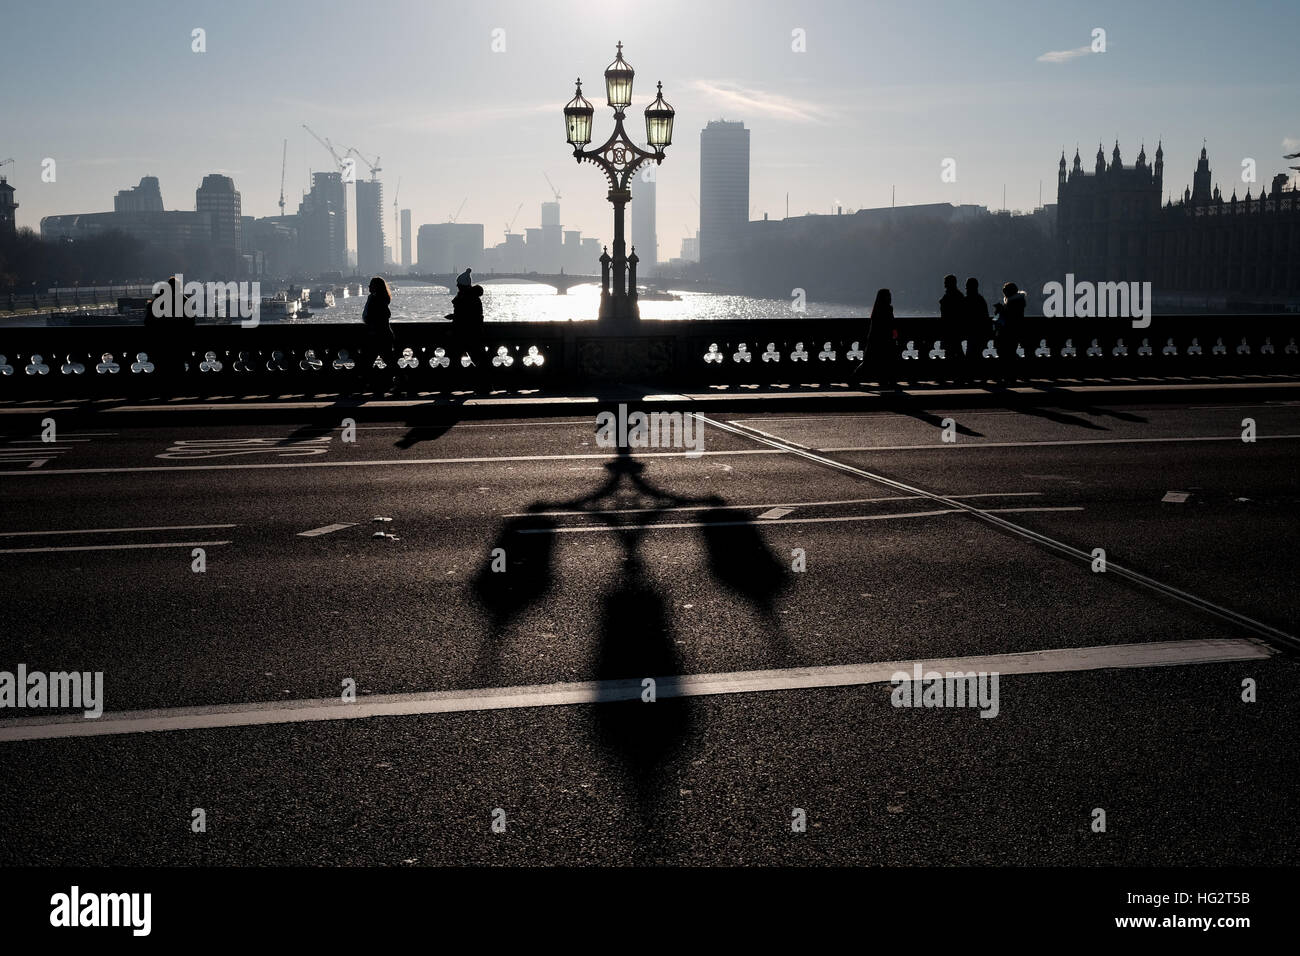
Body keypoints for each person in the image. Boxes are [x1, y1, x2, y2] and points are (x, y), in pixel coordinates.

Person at [362, 275, 395, 392]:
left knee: (368, 362)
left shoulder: (375, 300)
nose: (368, 287)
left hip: (377, 335)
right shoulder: (381, 300)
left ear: (375, 287)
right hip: (384, 334)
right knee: (389, 362)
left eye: (370, 285)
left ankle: (369, 384)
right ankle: (395, 382)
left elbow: (368, 317)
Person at [992, 281, 1027, 382]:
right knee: (1009, 353)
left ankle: (1009, 375)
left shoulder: (1013, 302)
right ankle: (1010, 375)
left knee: (1006, 353)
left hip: (1008, 332)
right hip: (1013, 331)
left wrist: (1000, 309)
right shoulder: (1017, 301)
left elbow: (1009, 317)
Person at [867, 288, 896, 389]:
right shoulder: (885, 308)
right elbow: (890, 323)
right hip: (882, 338)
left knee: (881, 361)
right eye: (888, 295)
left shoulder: (878, 308)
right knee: (883, 360)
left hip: (880, 338)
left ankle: (887, 380)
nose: (890, 297)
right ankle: (888, 380)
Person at [963, 277, 990, 381]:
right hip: (980, 331)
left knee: (972, 355)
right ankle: (980, 376)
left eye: (967, 285)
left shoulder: (969, 299)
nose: (966, 287)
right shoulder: (980, 299)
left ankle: (972, 376)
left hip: (974, 331)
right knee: (976, 354)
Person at [938, 274, 964, 380]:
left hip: (951, 328)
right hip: (952, 327)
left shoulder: (953, 295)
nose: (944, 284)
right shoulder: (958, 295)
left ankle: (952, 374)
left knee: (953, 351)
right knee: (955, 350)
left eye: (946, 282)